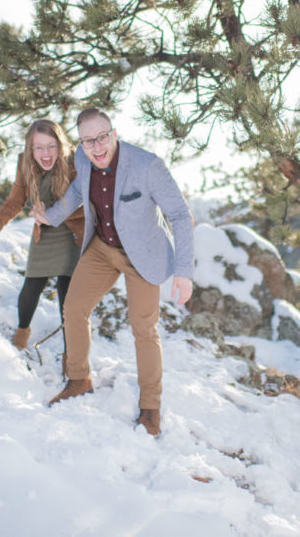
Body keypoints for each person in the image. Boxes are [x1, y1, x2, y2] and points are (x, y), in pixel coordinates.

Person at [31, 107, 194, 437]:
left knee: (143, 329)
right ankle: (79, 380)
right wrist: (52, 216)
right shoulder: (81, 157)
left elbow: (179, 214)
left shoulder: (147, 166)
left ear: (114, 134)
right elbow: (78, 192)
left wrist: (184, 270)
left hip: (142, 258)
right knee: (74, 309)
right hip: (102, 248)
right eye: (89, 141)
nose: (97, 147)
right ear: (80, 143)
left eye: (103, 137)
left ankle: (150, 409)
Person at [0, 119, 85, 354]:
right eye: (38, 147)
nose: (45, 153)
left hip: (72, 235)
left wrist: (53, 214)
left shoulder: (75, 161)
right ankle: (22, 333)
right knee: (30, 288)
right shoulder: (24, 163)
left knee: (67, 297)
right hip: (44, 234)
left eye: (51, 146)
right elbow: (16, 200)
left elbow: (86, 199)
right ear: (30, 148)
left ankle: (73, 356)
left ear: (60, 144)